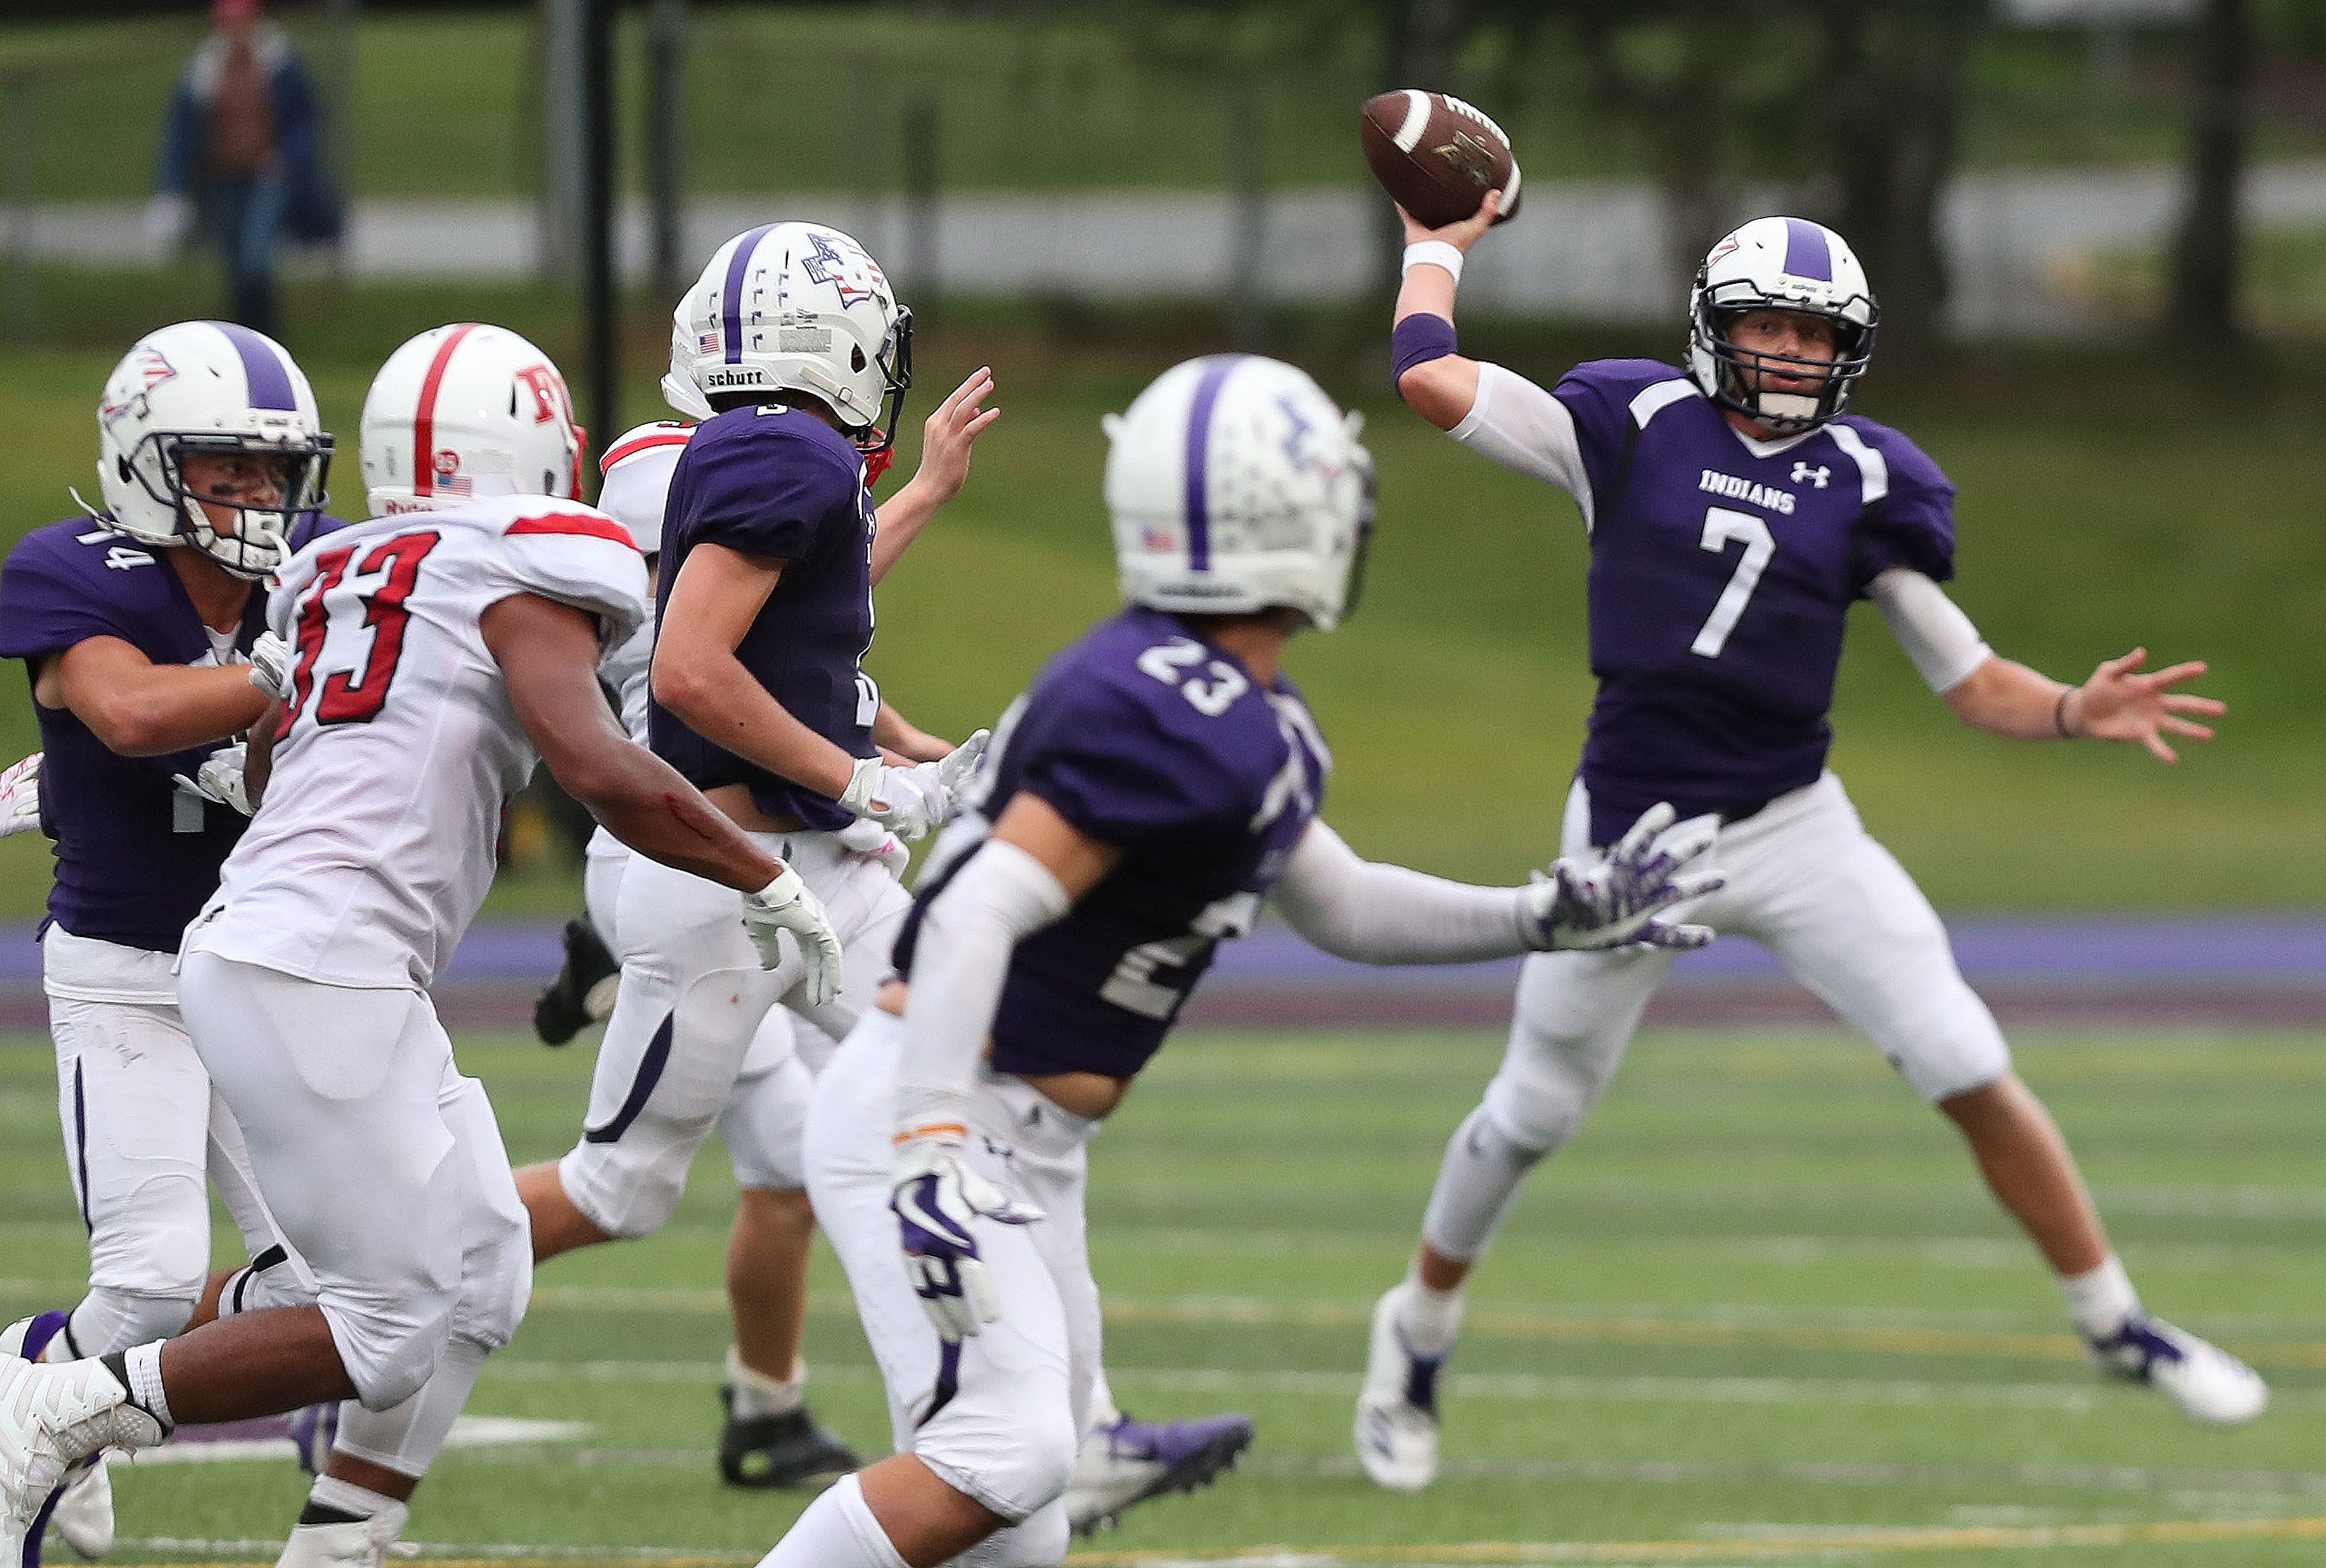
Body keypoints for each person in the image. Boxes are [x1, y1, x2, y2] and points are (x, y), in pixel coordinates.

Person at [751, 352, 1723, 1568]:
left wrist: (1539, 914)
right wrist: (935, 1147)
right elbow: (975, 913)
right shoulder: (1170, 709)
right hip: (939, 1113)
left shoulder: (1234, 711)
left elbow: (1343, 903)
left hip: (1023, 1140)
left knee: (1020, 1527)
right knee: (1014, 1457)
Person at [1351, 202, 2266, 1493]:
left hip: (1792, 824)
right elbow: (1431, 377)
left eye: (1810, 332)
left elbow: (1965, 676)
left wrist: (2069, 709)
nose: (1785, 353)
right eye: (1765, 325)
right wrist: (1437, 243)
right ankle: (1420, 1329)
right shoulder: (1632, 425)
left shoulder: (1871, 478)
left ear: (1850, 347)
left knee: (1968, 1058)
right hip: (1636, 839)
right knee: (1531, 1113)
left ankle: (2115, 1320)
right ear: (1716, 327)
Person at [0, 323, 847, 1568]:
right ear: (540, 453)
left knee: (488, 1266)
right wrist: (760, 874)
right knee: (384, 1322)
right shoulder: (521, 558)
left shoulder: (340, 567)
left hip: (306, 953)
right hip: (301, 964)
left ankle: (344, 1539)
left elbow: (283, 759)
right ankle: (57, 1405)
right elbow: (597, 765)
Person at [526, 418, 1263, 1529]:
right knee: (620, 1190)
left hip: (804, 858)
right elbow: (702, 670)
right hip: (706, 861)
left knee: (958, 1087)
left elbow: (810, 637)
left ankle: (1060, 1420)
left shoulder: (749, 466)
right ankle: (376, 1287)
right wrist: (864, 782)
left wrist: (915, 519)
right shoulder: (739, 461)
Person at [0, 319, 338, 1563]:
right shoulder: (73, 571)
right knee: (147, 1278)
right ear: (147, 462)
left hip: (261, 975)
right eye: (225, 468)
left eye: (272, 471)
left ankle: (45, 1390)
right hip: (129, 974)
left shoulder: (314, 572)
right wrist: (286, 669)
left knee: (330, 1284)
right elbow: (135, 714)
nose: (258, 497)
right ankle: (35, 1415)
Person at [151, 0, 336, 337]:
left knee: (255, 260)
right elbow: (181, 132)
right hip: (219, 180)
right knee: (234, 266)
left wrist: (286, 159)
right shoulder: (203, 69)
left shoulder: (280, 62)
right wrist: (171, 190)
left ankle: (268, 336)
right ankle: (240, 339)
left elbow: (305, 121)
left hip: (266, 178)